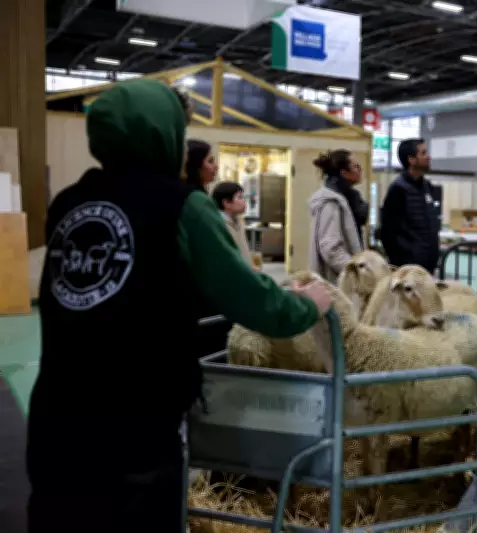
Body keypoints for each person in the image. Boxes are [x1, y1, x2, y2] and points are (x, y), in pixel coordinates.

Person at [26, 78, 332, 533]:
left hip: (56, 416)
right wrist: (308, 305)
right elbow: (251, 300)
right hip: (134, 427)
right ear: (164, 133)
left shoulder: (70, 201)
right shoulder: (180, 205)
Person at [379, 139, 440, 273]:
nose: (429, 156)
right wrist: (402, 261)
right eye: (423, 153)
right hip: (407, 269)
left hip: (428, 265)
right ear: (411, 159)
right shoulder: (398, 190)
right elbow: (387, 233)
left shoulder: (427, 187)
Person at [308, 149, 368, 282]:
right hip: (338, 283)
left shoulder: (349, 199)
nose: (360, 170)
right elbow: (331, 250)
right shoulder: (331, 204)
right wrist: (357, 272)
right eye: (355, 166)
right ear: (344, 173)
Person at [212, 180, 256, 270]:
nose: (244, 201)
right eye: (240, 197)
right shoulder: (219, 225)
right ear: (226, 203)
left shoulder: (239, 221)